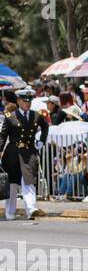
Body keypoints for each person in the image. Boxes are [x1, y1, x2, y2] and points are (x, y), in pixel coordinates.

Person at [1, 87, 47, 220]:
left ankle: (31, 209)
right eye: (25, 101)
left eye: (29, 101)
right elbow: (3, 136)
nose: (28, 104)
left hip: (28, 152)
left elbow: (45, 127)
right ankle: (10, 211)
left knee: (28, 180)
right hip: (12, 153)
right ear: (19, 101)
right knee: (13, 184)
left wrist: (41, 141)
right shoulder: (10, 116)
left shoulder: (36, 115)